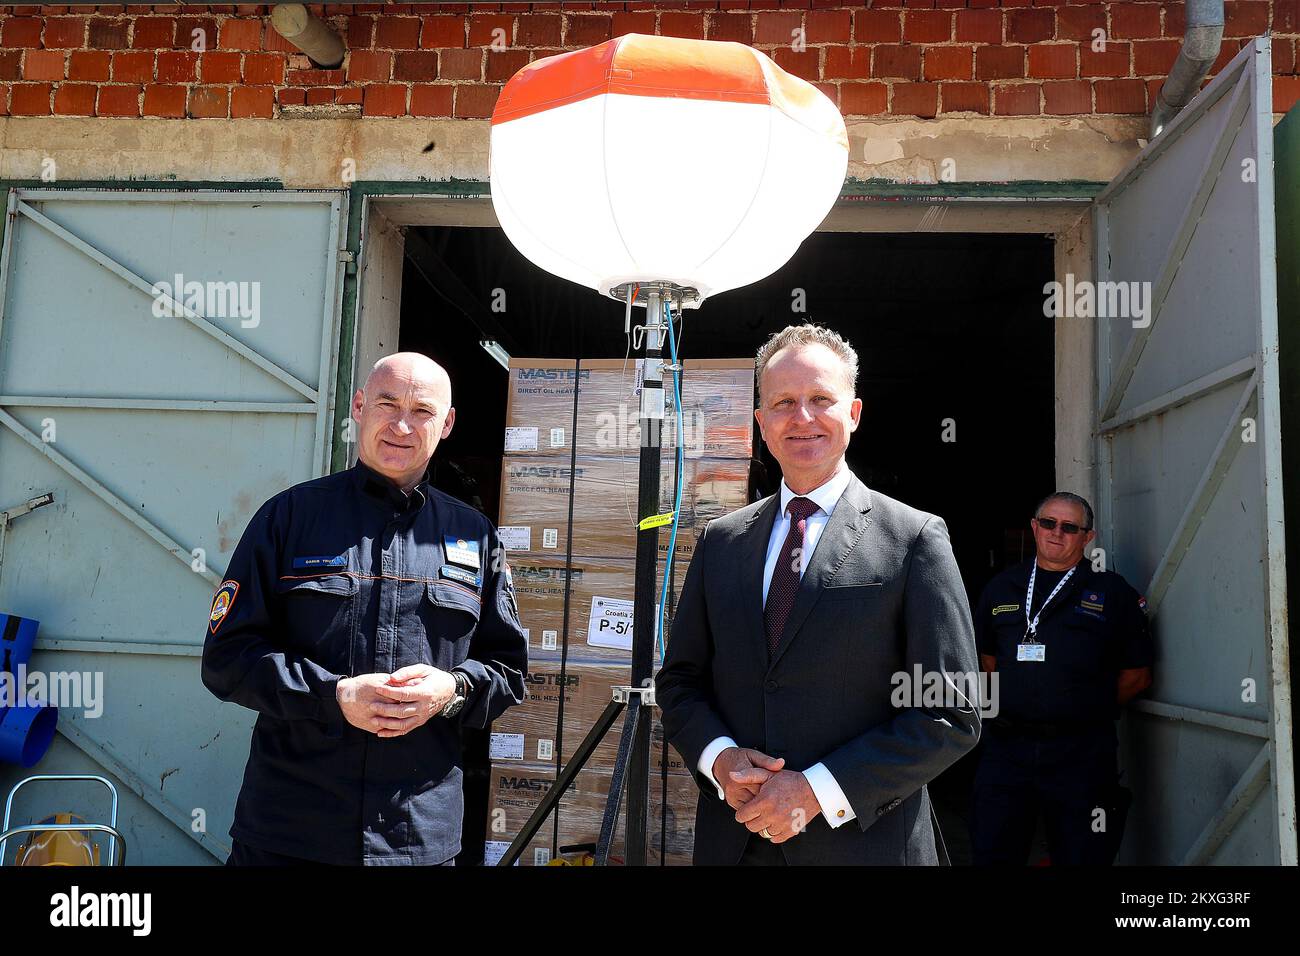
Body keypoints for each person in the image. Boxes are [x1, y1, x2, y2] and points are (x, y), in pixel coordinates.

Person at [656, 324, 981, 865]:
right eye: (783, 402)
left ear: (853, 414)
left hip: (861, 846)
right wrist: (719, 759)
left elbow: (950, 714)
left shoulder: (914, 539)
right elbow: (681, 682)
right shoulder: (722, 543)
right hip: (736, 841)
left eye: (820, 400)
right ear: (761, 423)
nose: (802, 417)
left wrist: (815, 791)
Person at [202, 352, 527, 865]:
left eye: (422, 411)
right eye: (387, 403)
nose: (401, 424)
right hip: (291, 834)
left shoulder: (475, 536)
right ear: (359, 407)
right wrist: (334, 695)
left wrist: (453, 689)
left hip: (416, 838)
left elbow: (508, 671)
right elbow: (226, 660)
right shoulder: (288, 518)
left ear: (447, 425)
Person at [970, 491, 1153, 866]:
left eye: (1070, 527)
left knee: (1083, 855)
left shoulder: (1112, 593)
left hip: (1081, 754)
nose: (1057, 533)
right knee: (993, 851)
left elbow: (1137, 676)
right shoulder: (1001, 588)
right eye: (1049, 523)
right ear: (1034, 528)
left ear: (1088, 538)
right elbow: (987, 660)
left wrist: (1081, 706)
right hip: (1007, 749)